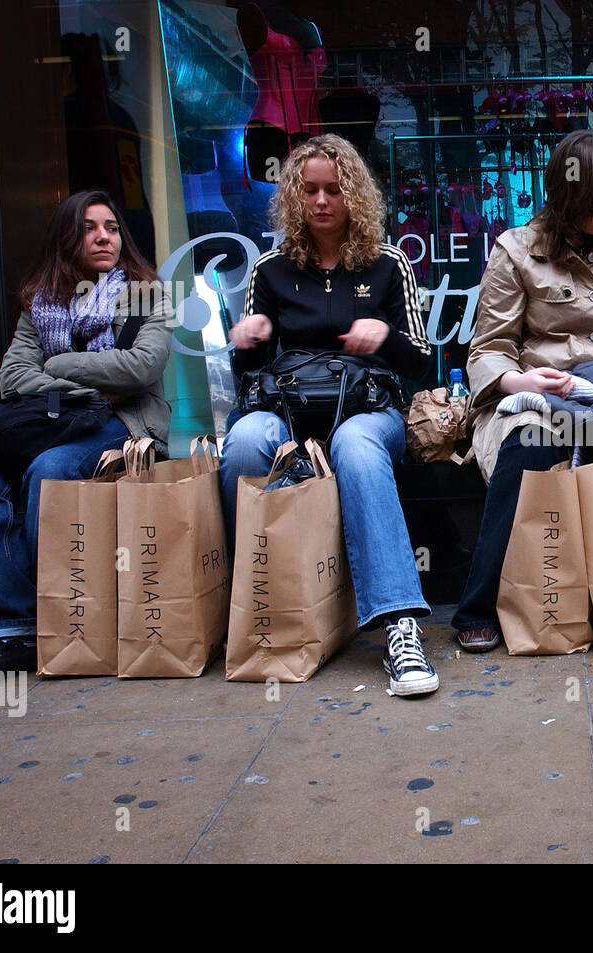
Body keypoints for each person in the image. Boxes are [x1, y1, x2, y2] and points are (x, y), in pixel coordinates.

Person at [221, 134, 438, 697]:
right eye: (310, 190)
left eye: (334, 190)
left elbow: (420, 363)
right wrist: (246, 342)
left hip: (368, 410)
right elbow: (248, 374)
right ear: (295, 197)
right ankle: (245, 601)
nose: (321, 201)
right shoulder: (269, 271)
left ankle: (399, 626)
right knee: (245, 440)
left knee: (356, 445)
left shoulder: (388, 264)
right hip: (286, 411)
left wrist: (384, 336)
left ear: (353, 196)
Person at [453, 130, 593, 653]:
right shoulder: (516, 251)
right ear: (571, 198)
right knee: (531, 447)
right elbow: (486, 349)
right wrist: (517, 381)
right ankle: (478, 605)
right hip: (541, 396)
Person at [0, 189, 172, 680]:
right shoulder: (41, 301)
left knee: (50, 470)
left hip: (128, 425)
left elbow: (140, 368)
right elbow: (12, 377)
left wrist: (58, 364)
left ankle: (53, 617)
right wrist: (86, 389)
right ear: (65, 240)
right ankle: (13, 627)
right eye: (89, 228)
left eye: (111, 228)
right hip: (51, 424)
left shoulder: (147, 294)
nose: (102, 237)